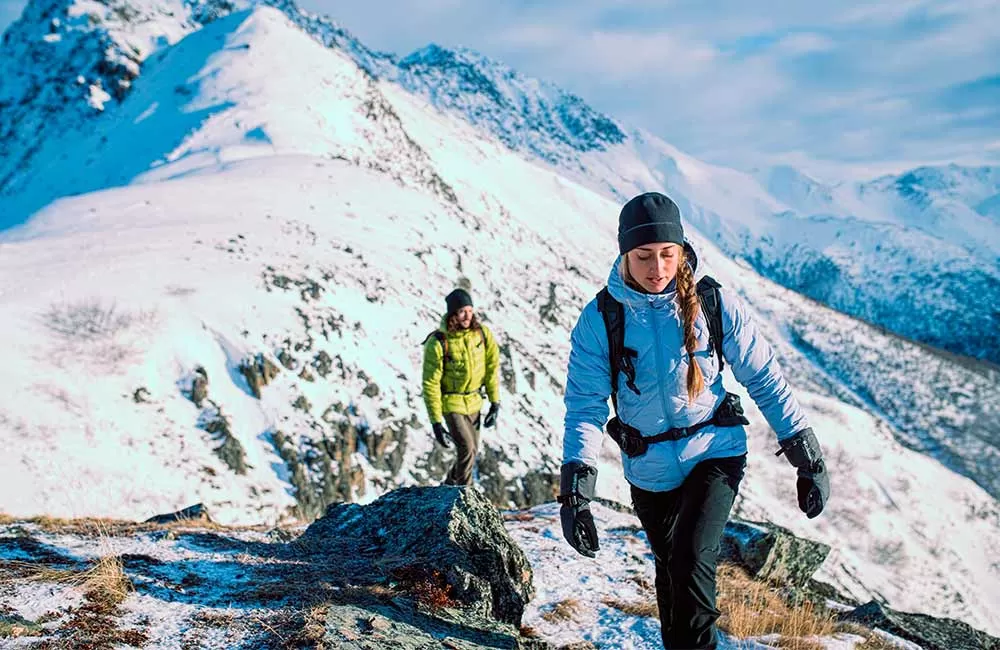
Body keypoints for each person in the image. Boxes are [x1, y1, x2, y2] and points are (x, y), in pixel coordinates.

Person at [558, 192, 830, 649]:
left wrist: (807, 457)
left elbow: (763, 375)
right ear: (624, 254)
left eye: (668, 254)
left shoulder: (712, 305)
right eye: (643, 256)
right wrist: (576, 493)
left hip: (715, 452)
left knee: (689, 560)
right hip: (648, 466)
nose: (657, 268)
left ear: (683, 252)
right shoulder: (602, 318)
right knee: (670, 571)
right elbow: (585, 405)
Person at [422, 288, 501, 485]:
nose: (467, 316)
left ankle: (447, 487)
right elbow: (430, 384)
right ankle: (464, 495)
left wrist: (494, 403)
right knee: (467, 448)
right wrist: (436, 423)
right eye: (461, 311)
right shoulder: (438, 342)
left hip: (474, 401)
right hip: (451, 403)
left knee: (472, 451)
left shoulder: (482, 334)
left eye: (470, 310)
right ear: (452, 314)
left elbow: (491, 368)